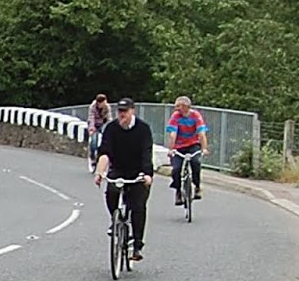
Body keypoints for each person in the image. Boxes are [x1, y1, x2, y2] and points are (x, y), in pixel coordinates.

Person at [92, 97, 155, 261]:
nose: (122, 115)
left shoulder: (143, 129)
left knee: (138, 206)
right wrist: (99, 172)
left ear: (132, 111)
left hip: (138, 171)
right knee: (111, 191)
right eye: (120, 111)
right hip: (119, 169)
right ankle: (115, 219)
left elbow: (146, 153)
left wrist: (147, 174)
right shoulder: (111, 129)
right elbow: (105, 152)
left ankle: (137, 245)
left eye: (125, 111)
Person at [165, 96, 209, 204]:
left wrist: (204, 148)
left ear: (186, 107)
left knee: (196, 162)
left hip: (193, 144)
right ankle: (178, 191)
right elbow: (172, 134)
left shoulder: (195, 115)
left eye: (178, 106)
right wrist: (171, 149)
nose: (176, 108)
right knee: (176, 169)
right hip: (179, 146)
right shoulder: (176, 116)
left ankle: (197, 186)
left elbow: (201, 133)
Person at [86, 93, 111, 170]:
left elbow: (109, 118)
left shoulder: (107, 107)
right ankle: (93, 157)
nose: (103, 105)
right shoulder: (93, 107)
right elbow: (91, 118)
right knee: (94, 141)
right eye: (102, 103)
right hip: (94, 124)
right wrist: (92, 129)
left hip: (103, 123)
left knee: (106, 139)